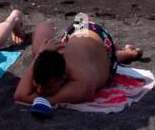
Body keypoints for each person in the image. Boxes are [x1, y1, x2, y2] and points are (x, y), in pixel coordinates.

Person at [14, 14, 142, 110]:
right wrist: (41, 53)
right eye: (36, 84)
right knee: (41, 36)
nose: (40, 90)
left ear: (63, 77)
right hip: (77, 33)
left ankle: (129, 53)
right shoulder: (49, 58)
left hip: (101, 39)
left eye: (48, 86)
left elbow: (21, 96)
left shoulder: (82, 84)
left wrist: (40, 57)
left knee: (107, 61)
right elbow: (43, 26)